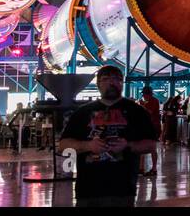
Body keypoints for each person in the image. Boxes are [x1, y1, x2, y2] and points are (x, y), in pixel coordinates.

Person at [59, 66, 157, 207]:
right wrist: (88, 145)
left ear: (122, 83)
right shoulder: (82, 113)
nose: (112, 83)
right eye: (106, 79)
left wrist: (127, 145)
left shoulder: (137, 112)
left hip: (123, 192)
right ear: (98, 84)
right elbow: (63, 145)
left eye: (117, 79)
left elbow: (151, 144)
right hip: (87, 191)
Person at [139, 86, 161, 175]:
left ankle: (154, 168)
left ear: (147, 94)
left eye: (144, 94)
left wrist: (142, 106)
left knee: (152, 148)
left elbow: (150, 112)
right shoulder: (146, 101)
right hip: (146, 126)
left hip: (154, 127)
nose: (143, 96)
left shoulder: (154, 101)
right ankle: (141, 168)